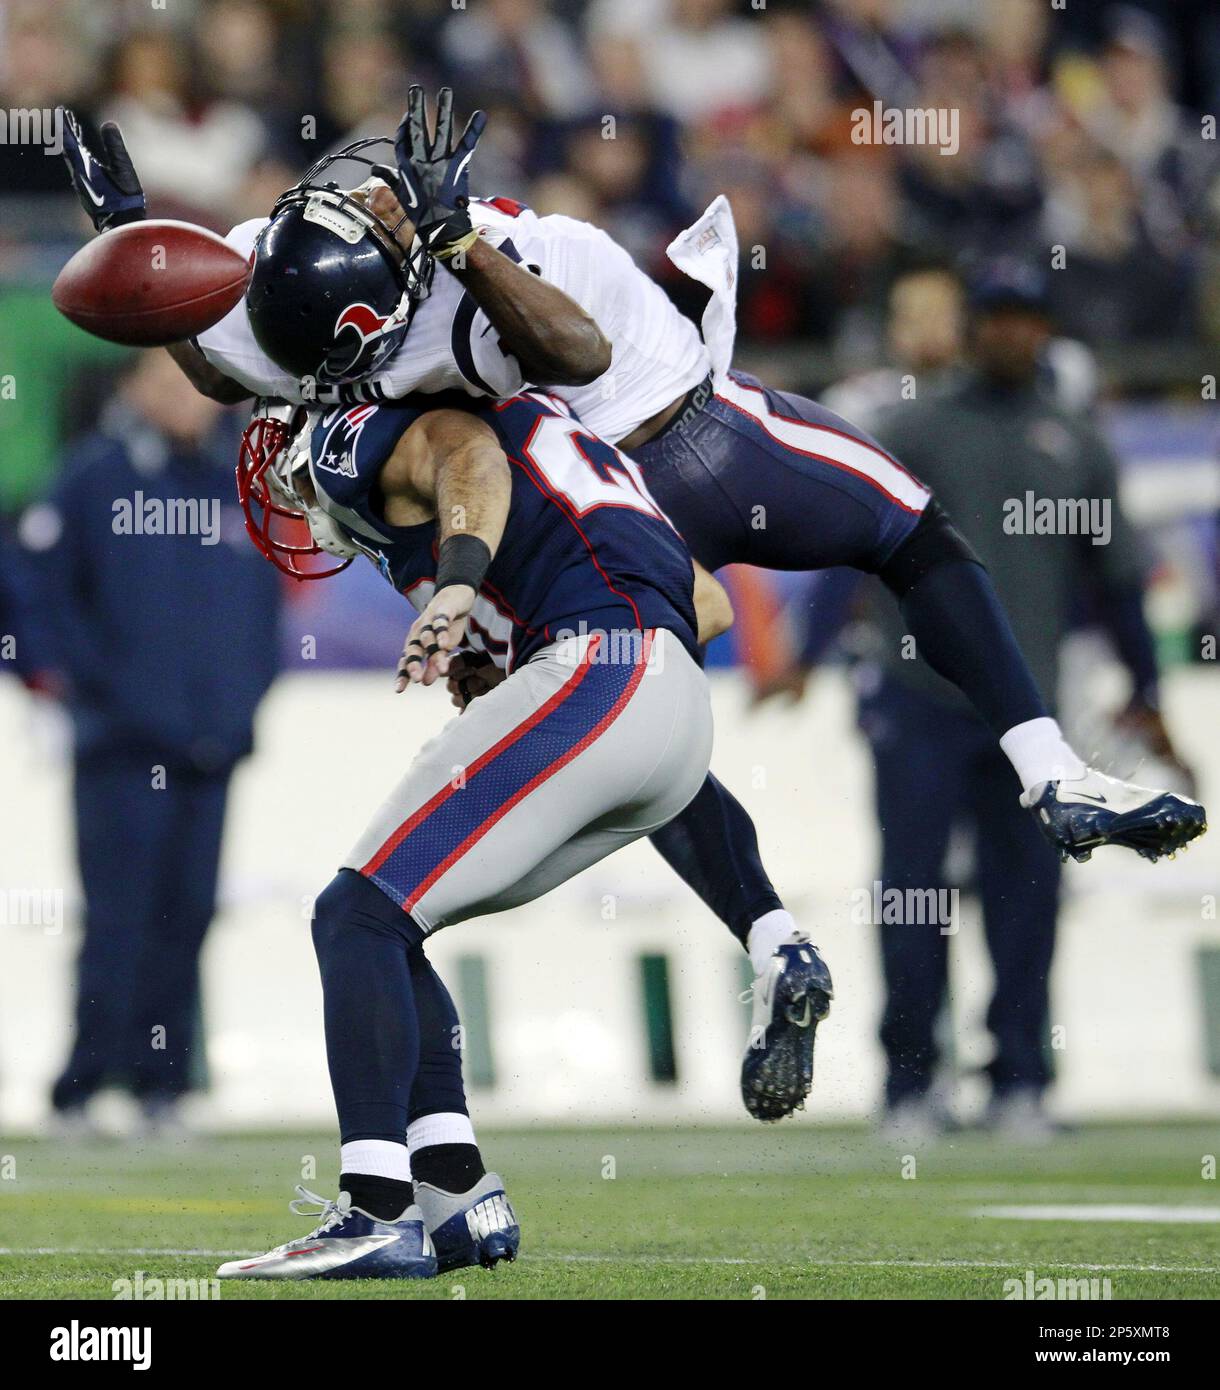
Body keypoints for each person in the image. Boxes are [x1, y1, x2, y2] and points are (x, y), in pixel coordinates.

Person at [57, 90, 1206, 1128]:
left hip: (615, 463)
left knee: (623, 723)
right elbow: (258, 357)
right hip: (658, 465)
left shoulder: (403, 283)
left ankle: (773, 932)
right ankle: (1032, 768)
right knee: (890, 540)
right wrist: (150, 255)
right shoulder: (336, 295)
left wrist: (456, 564)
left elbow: (569, 347)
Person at [217, 387, 727, 1279]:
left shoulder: (413, 424)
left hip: (599, 672)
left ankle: (375, 1207)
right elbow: (710, 605)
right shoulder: (566, 441)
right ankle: (458, 1195)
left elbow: (468, 457)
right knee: (390, 923)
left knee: (355, 917)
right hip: (675, 711)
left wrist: (458, 592)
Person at [18, 350, 280, 1135]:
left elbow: (263, 612)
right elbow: (37, 594)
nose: (191, 400)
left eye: (198, 384)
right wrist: (92, 691)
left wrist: (238, 701)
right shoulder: (92, 478)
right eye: (169, 383)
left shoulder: (236, 485)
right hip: (123, 748)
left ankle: (162, 1088)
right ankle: (83, 1085)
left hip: (212, 745)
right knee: (120, 917)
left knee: (189, 913)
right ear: (131, 388)